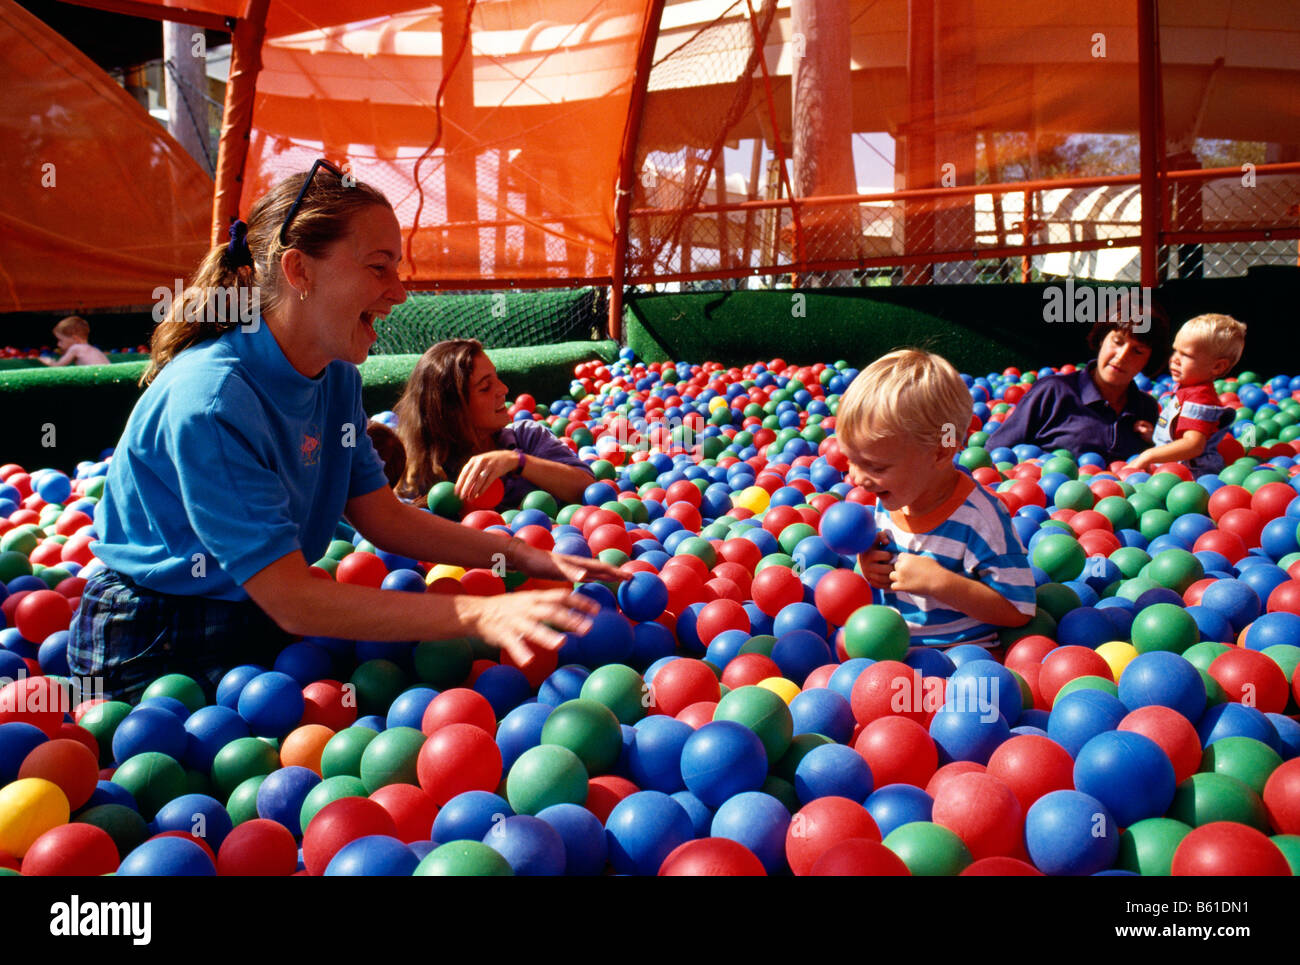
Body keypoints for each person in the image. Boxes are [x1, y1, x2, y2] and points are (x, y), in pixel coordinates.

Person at [69, 163, 624, 703]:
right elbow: (292, 598)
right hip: (156, 635)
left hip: (259, 610)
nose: (399, 292)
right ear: (298, 271)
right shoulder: (213, 401)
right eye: (379, 267)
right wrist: (481, 613)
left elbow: (383, 516)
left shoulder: (334, 377)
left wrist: (521, 557)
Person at [840, 349, 1036, 648]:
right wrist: (869, 567)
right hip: (891, 654)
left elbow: (1018, 610)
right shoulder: (890, 495)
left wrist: (941, 583)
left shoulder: (979, 518)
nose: (856, 478)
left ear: (941, 452)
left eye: (875, 466)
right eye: (850, 460)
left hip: (960, 664)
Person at [392, 339, 595, 509]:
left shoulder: (526, 437)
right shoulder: (422, 468)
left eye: (497, 378)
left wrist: (517, 461)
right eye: (486, 387)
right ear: (452, 409)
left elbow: (589, 490)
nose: (503, 389)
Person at [984, 305, 1170, 464]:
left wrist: (1155, 442)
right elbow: (995, 452)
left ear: (1149, 360)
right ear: (1102, 339)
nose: (1121, 357)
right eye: (1117, 342)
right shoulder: (1053, 392)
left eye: (1137, 351)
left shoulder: (1147, 409)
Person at [1129, 313, 1245, 475]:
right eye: (1176, 351)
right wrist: (1156, 435)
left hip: (1193, 473)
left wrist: (1148, 455)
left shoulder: (1200, 398)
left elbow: (1193, 445)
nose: (1175, 359)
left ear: (1217, 367)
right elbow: (1181, 433)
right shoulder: (1188, 389)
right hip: (1173, 468)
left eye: (1187, 355)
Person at [40, 315, 111, 366]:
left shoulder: (75, 348)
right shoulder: (95, 350)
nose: (58, 344)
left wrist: (49, 362)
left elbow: (58, 365)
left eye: (60, 340)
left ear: (75, 338)